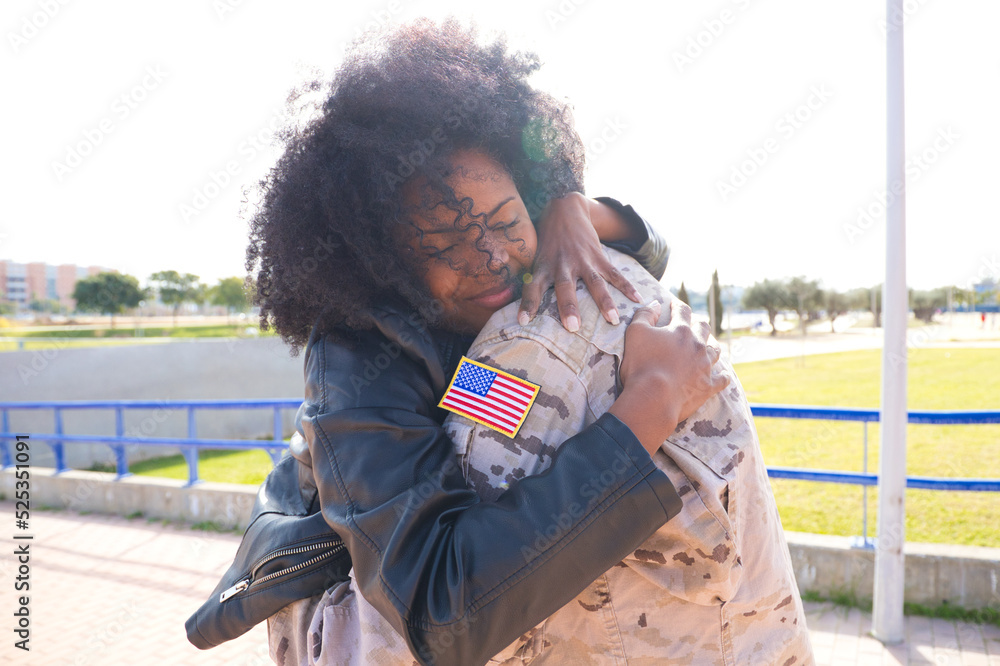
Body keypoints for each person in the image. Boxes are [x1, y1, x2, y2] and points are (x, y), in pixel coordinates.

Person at [187, 18, 727, 666]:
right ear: (376, 255)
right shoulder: (357, 364)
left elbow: (647, 253)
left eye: (507, 221)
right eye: (443, 245)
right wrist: (654, 404)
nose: (493, 260)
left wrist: (580, 211)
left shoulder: (525, 269)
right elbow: (444, 613)